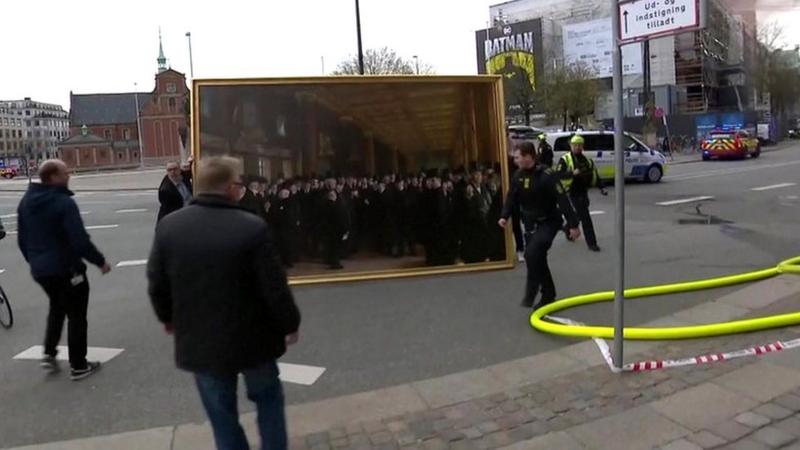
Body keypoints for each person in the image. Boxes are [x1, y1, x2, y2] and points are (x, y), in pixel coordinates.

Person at [147, 156, 301, 450]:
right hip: (255, 340)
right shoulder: (251, 226)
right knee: (269, 402)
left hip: (202, 343)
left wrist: (167, 318)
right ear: (230, 188)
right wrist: (290, 323)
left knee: (222, 417)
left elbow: (157, 282)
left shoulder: (169, 227)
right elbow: (274, 286)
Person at [17, 159, 111, 380]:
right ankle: (79, 365)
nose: (68, 176)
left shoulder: (26, 202)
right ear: (53, 177)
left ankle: (49, 353)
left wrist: (35, 262)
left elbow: (22, 240)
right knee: (77, 315)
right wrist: (100, 262)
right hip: (67, 269)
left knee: (57, 307)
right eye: (65, 173)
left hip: (41, 271)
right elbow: (79, 239)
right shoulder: (63, 203)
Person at [499, 142, 580, 309]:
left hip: (549, 221)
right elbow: (511, 197)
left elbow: (562, 199)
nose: (515, 160)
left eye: (517, 157)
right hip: (530, 223)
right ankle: (548, 293)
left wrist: (573, 225)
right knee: (537, 258)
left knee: (531, 254)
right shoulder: (518, 176)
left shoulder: (547, 175)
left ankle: (531, 294)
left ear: (529, 156)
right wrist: (504, 216)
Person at [556, 134, 608, 252]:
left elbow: (594, 175)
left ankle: (568, 227)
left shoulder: (587, 161)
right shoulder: (565, 159)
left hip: (583, 192)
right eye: (575, 145)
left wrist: (602, 187)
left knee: (579, 214)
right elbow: (558, 175)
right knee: (586, 218)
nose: (578, 147)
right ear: (571, 146)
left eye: (580, 145)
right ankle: (592, 243)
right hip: (571, 192)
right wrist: (572, 174)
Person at [157, 157, 194, 222]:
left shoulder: (183, 175)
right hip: (180, 216)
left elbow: (192, 171)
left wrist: (191, 161)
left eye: (175, 169)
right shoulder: (165, 190)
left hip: (191, 210)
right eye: (169, 170)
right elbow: (167, 210)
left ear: (180, 169)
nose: (173, 172)